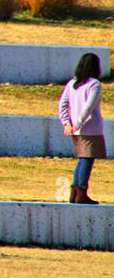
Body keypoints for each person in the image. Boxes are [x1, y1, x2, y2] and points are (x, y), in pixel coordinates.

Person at [59, 53, 105, 204]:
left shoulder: (73, 83)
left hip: (75, 129)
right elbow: (89, 107)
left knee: (82, 159)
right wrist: (77, 124)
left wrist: (67, 123)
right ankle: (81, 192)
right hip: (89, 128)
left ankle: (75, 192)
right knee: (87, 159)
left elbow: (62, 104)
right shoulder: (94, 84)